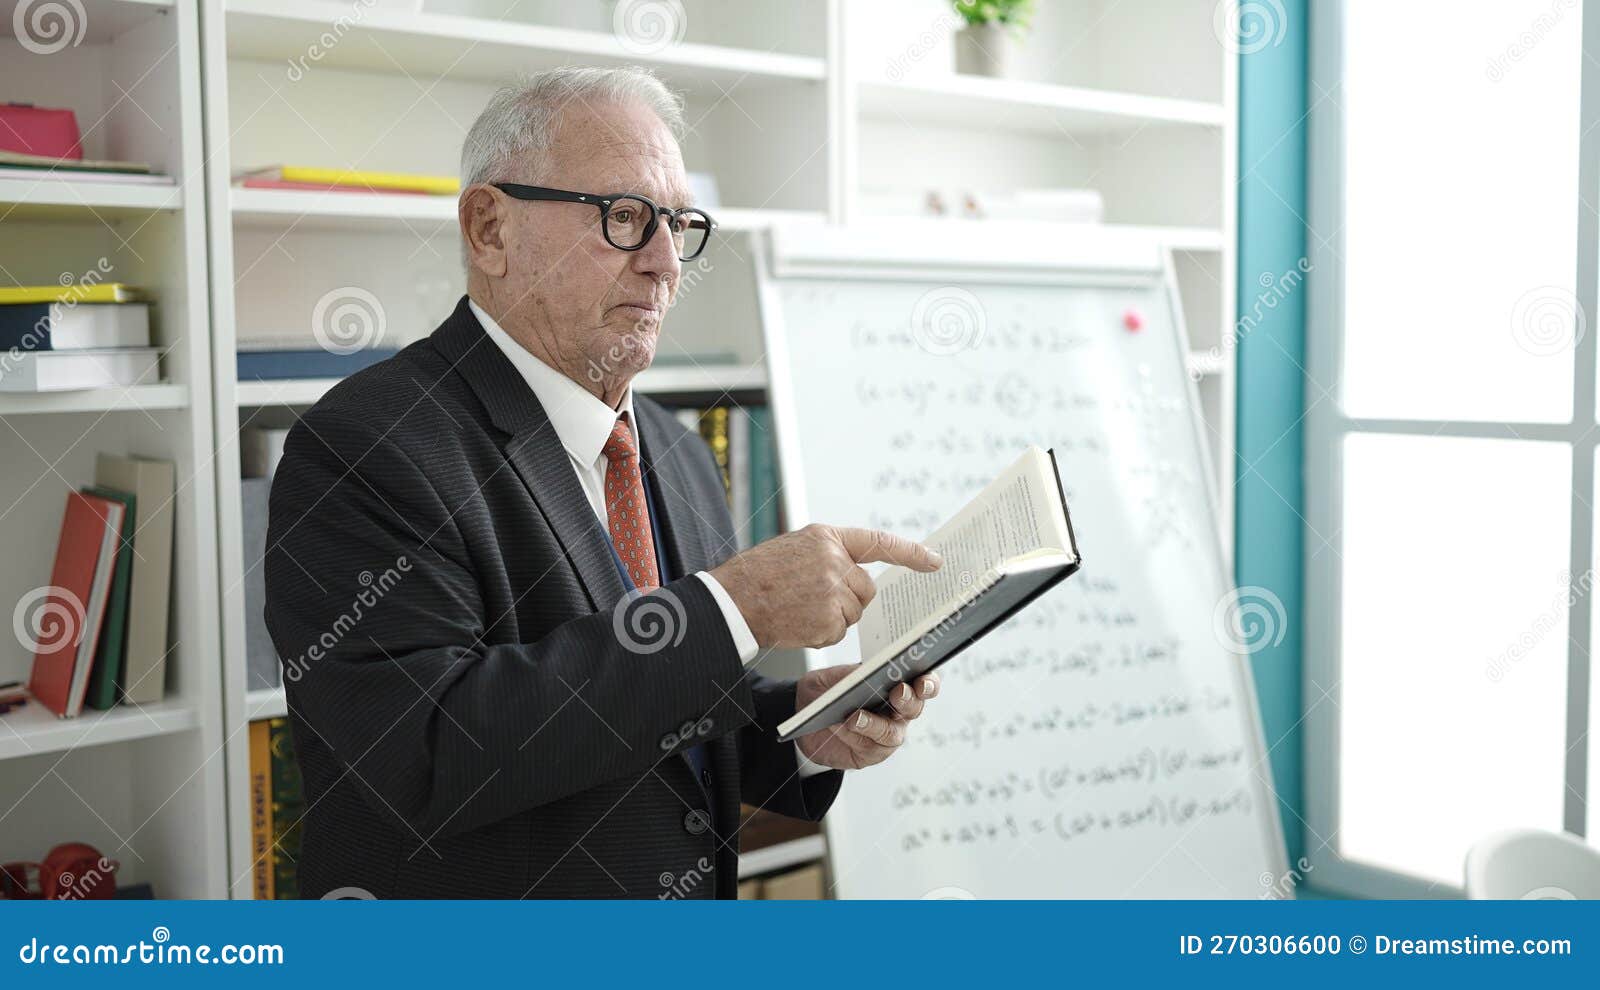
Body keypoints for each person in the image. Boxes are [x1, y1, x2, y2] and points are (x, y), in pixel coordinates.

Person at [263, 66, 943, 899]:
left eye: (679, 224)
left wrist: (799, 728)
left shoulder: (676, 451)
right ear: (489, 227)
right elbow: (427, 755)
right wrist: (738, 608)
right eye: (625, 218)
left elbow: (662, 726)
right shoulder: (366, 445)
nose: (664, 263)